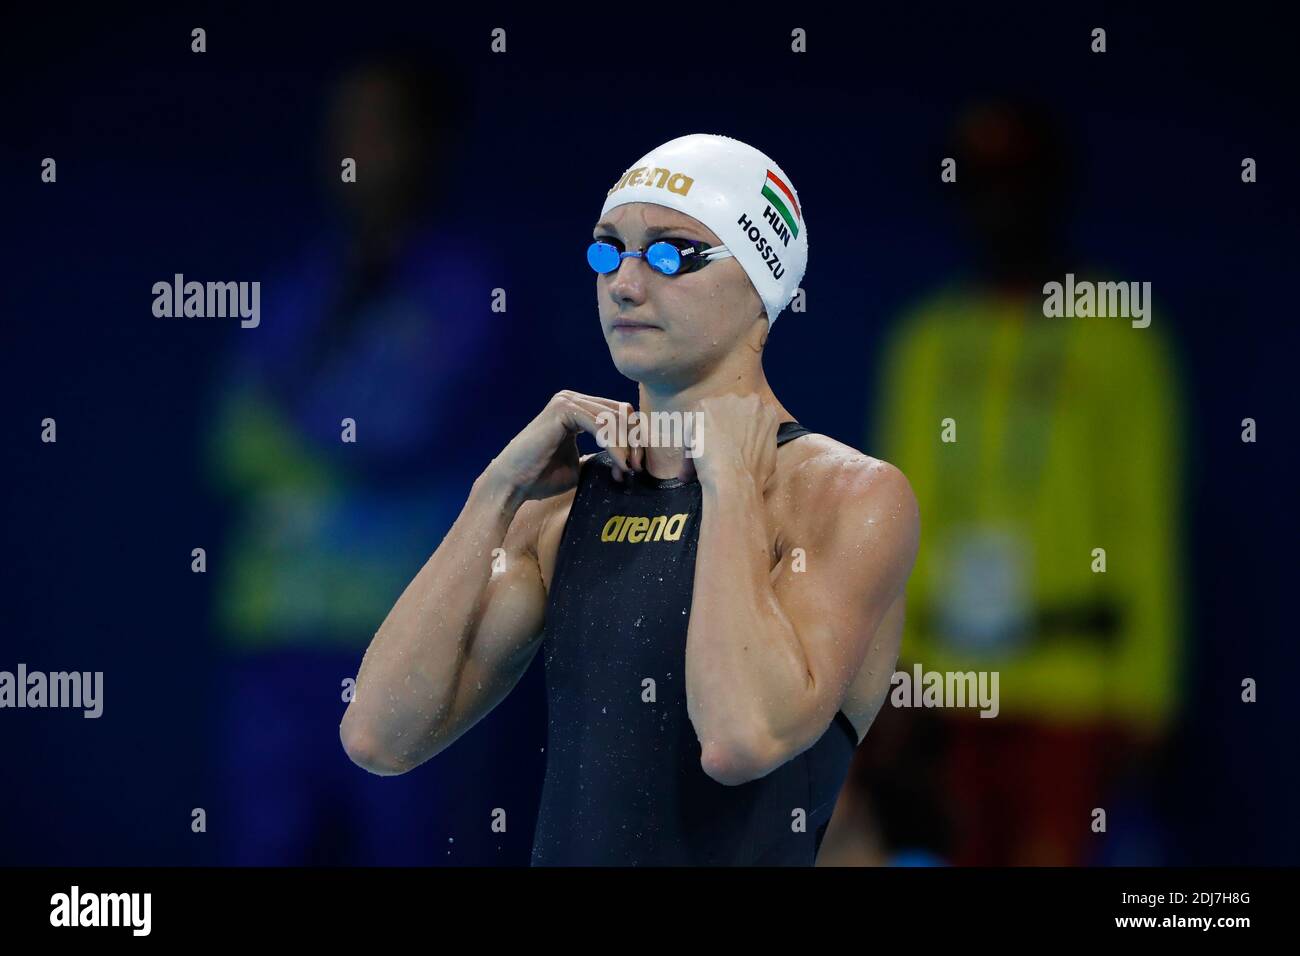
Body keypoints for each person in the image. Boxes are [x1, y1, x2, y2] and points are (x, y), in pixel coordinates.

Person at [341, 133, 920, 865]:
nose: (625, 283)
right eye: (609, 250)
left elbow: (741, 737)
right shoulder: (556, 511)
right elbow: (378, 737)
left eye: (673, 254)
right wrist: (493, 493)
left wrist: (730, 483)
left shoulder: (844, 497)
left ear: (764, 284)